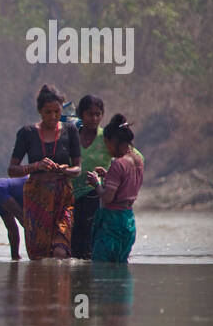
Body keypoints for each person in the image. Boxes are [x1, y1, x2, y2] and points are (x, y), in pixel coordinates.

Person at [8, 84, 81, 259]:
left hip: (63, 195)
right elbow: (12, 169)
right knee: (39, 254)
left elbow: (78, 168)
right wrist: (35, 166)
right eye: (48, 112)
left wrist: (66, 170)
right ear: (40, 111)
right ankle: (40, 285)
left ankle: (60, 285)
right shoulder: (27, 133)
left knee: (60, 249)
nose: (53, 116)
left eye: (57, 111)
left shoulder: (70, 130)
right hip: (36, 197)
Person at [87, 114, 144, 263]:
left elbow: (107, 197)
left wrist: (96, 184)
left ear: (114, 141)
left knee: (102, 268)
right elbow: (125, 184)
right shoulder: (138, 160)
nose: (108, 148)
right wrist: (108, 176)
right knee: (120, 268)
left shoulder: (118, 163)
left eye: (107, 143)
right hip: (128, 220)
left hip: (112, 223)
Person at [69, 95, 110, 259]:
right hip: (70, 195)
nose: (94, 118)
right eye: (90, 114)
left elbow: (134, 157)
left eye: (98, 114)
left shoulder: (106, 137)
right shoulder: (72, 135)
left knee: (89, 239)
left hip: (94, 194)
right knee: (72, 240)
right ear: (80, 114)